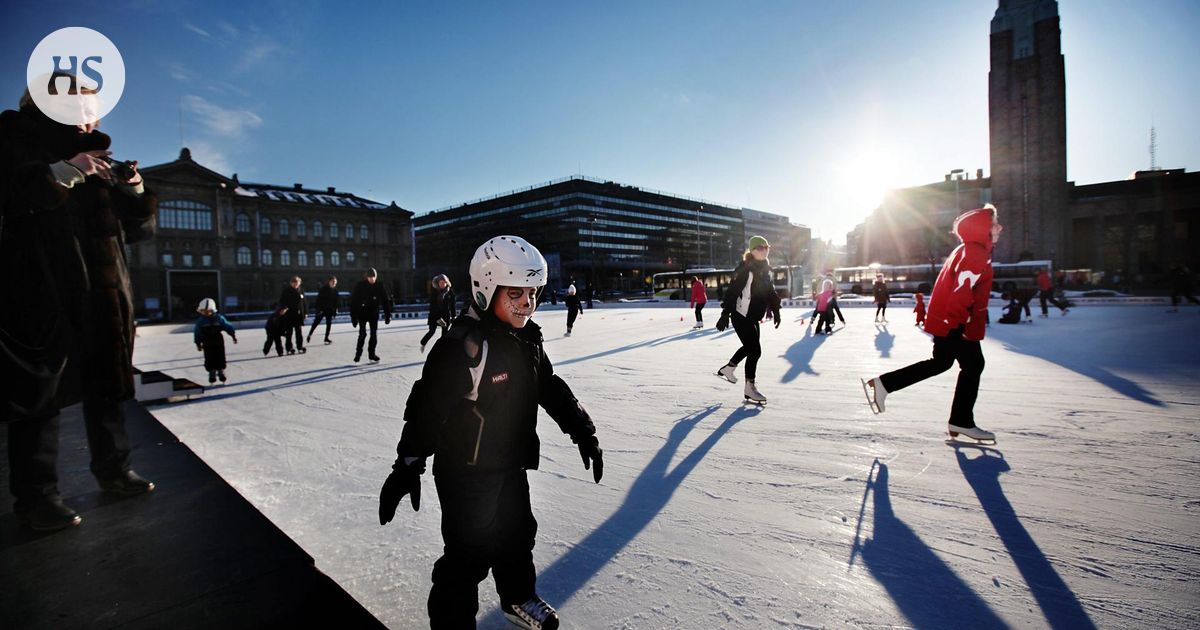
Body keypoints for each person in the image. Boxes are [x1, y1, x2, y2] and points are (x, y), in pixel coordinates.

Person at [378, 235, 603, 630]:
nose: (526, 304)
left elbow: (548, 386)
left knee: (517, 537)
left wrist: (582, 429)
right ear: (485, 289)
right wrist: (408, 464)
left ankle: (517, 599)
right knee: (467, 555)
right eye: (514, 293)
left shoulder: (527, 338)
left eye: (532, 293)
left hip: (510, 464)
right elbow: (427, 409)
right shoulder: (462, 347)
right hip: (465, 473)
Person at [1, 84, 159, 531]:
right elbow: (11, 196)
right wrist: (63, 171)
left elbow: (140, 231)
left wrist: (134, 189)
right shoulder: (14, 135)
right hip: (42, 287)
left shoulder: (98, 155)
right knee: (40, 395)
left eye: (93, 111)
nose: (89, 118)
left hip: (103, 290)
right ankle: (37, 497)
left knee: (106, 383)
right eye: (79, 108)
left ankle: (115, 470)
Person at [861, 205, 1002, 444]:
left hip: (948, 320)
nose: (1000, 228)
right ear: (983, 229)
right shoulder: (975, 253)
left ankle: (884, 384)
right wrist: (963, 325)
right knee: (973, 365)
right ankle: (961, 420)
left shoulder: (967, 250)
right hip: (954, 322)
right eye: (995, 224)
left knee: (943, 363)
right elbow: (961, 292)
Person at [714, 235, 781, 404]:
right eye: (760, 247)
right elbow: (732, 292)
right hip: (740, 315)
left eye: (767, 247)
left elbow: (770, 293)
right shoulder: (745, 269)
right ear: (752, 251)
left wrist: (776, 310)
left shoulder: (766, 270)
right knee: (755, 350)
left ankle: (729, 369)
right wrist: (725, 314)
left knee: (750, 347)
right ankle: (749, 388)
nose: (764, 250)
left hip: (753, 317)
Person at [350, 267, 392, 363]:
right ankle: (358, 354)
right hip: (362, 313)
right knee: (362, 334)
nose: (372, 279)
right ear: (366, 277)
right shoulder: (360, 286)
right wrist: (354, 317)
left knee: (374, 335)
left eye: (373, 276)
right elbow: (354, 302)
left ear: (376, 276)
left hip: (373, 314)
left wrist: (387, 315)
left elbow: (385, 301)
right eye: (370, 277)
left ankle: (371, 354)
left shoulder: (380, 286)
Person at [193, 298, 237, 384]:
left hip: (218, 340)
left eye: (206, 311)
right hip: (207, 341)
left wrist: (233, 335)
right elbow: (197, 332)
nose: (205, 313)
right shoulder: (201, 321)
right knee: (209, 357)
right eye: (203, 311)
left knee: (220, 355)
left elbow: (227, 326)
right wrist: (198, 343)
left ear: (212, 310)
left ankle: (221, 371)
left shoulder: (219, 318)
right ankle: (212, 372)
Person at [420, 273, 456, 353]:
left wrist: (453, 316)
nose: (442, 284)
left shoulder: (450, 293)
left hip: (446, 315)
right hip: (434, 315)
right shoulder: (434, 293)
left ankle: (443, 350)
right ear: (437, 283)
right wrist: (438, 318)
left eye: (444, 282)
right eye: (440, 283)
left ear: (447, 283)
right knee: (431, 331)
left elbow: (452, 305)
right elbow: (433, 307)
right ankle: (423, 343)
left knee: (445, 334)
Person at [278, 276, 307, 354]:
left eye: (297, 283)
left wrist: (305, 313)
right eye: (294, 283)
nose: (295, 285)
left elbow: (304, 303)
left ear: (299, 283)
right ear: (291, 283)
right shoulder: (286, 291)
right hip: (289, 314)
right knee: (289, 332)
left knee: (299, 332)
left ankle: (300, 347)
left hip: (298, 314)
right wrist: (283, 308)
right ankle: (289, 348)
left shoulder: (301, 290)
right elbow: (282, 301)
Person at [307, 276, 338, 345]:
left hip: (329, 310)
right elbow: (318, 300)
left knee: (329, 324)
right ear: (329, 281)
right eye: (333, 281)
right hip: (322, 309)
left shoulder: (335, 291)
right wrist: (318, 310)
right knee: (316, 323)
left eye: (335, 282)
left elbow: (336, 302)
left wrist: (335, 311)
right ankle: (310, 334)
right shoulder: (323, 289)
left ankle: (326, 338)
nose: (334, 283)